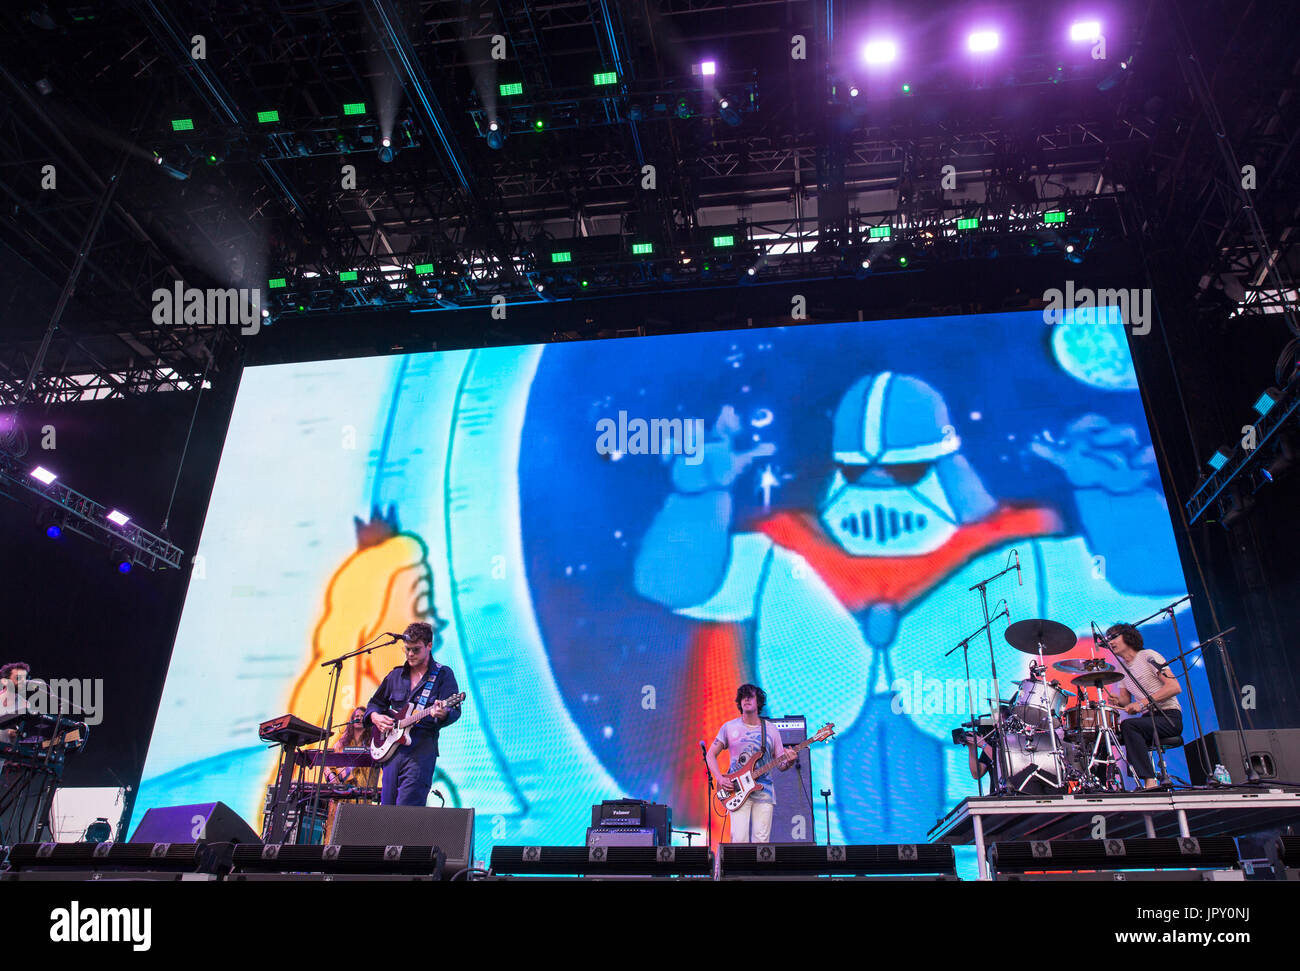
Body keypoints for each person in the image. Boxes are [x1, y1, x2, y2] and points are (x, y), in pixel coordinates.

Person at [365, 622, 461, 806]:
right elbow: (375, 704)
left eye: (416, 650)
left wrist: (442, 714)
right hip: (392, 753)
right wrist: (375, 717)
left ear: (429, 646)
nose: (410, 654)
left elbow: (454, 710)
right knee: (387, 810)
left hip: (421, 751)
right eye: (407, 649)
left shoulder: (443, 675)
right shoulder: (395, 676)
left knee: (407, 810)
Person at [705, 684, 795, 843]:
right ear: (739, 702)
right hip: (737, 790)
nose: (746, 699)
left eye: (750, 696)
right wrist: (719, 778)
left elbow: (781, 764)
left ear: (758, 702)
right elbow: (710, 754)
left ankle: (758, 869)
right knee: (739, 840)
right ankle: (740, 869)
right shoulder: (729, 727)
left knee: (761, 842)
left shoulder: (771, 730)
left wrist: (790, 761)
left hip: (764, 790)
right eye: (743, 696)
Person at [1102, 623, 1181, 789]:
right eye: (1108, 639)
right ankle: (1107, 785)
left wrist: (1142, 703)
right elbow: (1125, 700)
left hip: (1168, 716)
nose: (1110, 642)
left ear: (1128, 637)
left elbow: (1174, 687)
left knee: (1129, 726)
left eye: (1114, 637)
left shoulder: (1148, 656)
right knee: (1110, 734)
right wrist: (1118, 701)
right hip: (1148, 719)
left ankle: (1149, 781)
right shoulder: (1121, 669)